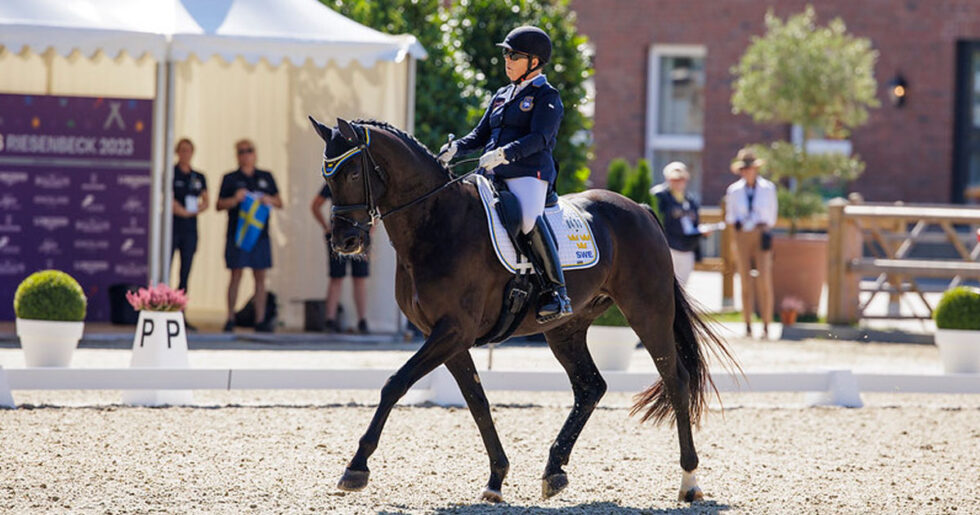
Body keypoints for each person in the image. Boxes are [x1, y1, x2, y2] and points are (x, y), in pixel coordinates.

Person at [437, 25, 571, 322]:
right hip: (493, 174)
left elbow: (540, 138)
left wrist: (506, 153)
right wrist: (455, 149)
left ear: (534, 62)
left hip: (528, 173)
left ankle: (556, 292)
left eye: (514, 55)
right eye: (506, 54)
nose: (507, 60)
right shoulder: (502, 94)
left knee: (526, 219)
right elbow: (479, 135)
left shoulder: (547, 96)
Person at [216, 139, 283, 333]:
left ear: (255, 154)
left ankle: (260, 319)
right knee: (235, 274)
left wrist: (268, 199)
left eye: (249, 151)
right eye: (241, 152)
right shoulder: (230, 178)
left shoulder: (266, 176)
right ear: (237, 155)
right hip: (238, 234)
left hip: (260, 235)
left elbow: (279, 202)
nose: (246, 155)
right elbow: (219, 205)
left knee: (260, 276)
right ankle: (230, 317)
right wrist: (234, 199)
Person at [725, 148, 778, 339]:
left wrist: (760, 225)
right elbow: (730, 217)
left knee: (764, 279)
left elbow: (772, 215)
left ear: (755, 169)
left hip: (761, 232)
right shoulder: (734, 190)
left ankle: (766, 324)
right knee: (745, 281)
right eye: (744, 169)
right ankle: (747, 324)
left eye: (750, 168)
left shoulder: (768, 188)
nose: (747, 172)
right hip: (742, 235)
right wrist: (737, 232)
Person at [311, 184, 370, 334]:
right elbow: (315, 205)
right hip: (339, 236)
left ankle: (362, 320)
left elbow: (375, 210)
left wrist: (370, 232)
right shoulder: (334, 182)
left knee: (359, 278)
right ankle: (330, 319)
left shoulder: (365, 181)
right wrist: (326, 227)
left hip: (359, 235)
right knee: (336, 277)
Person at [650, 161, 712, 285]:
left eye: (681, 179)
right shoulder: (660, 196)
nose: (678, 182)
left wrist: (702, 231)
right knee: (666, 284)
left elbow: (694, 222)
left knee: (683, 286)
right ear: (668, 179)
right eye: (674, 179)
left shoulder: (690, 200)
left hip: (687, 246)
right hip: (669, 246)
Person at [170, 138, 208, 331]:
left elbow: (206, 200)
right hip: (172, 228)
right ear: (177, 152)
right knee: (166, 269)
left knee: (185, 273)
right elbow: (166, 197)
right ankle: (163, 308)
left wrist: (196, 210)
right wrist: (177, 209)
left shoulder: (198, 176)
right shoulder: (170, 173)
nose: (185, 154)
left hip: (190, 229)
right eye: (182, 150)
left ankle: (181, 313)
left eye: (189, 150)